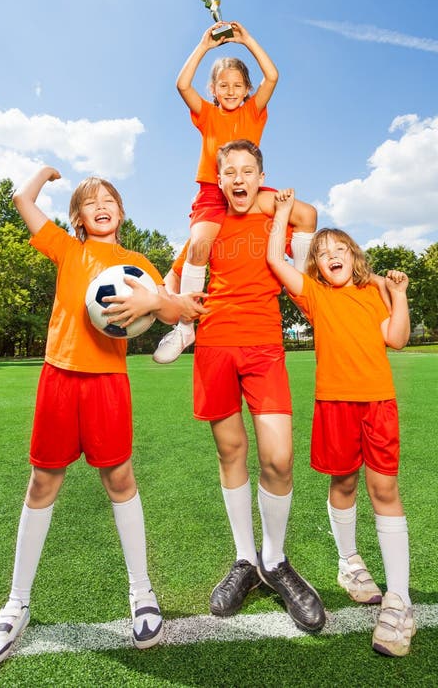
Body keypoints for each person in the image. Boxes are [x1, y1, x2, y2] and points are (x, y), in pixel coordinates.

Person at [0, 166, 204, 669]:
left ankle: (142, 594)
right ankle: (16, 604)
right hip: (58, 378)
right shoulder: (67, 249)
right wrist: (43, 176)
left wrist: (164, 300)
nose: (100, 207)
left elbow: (167, 310)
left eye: (109, 200)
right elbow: (20, 200)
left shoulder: (135, 262)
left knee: (120, 479)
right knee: (41, 483)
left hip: (107, 384)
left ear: (121, 211)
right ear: (77, 218)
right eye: (88, 203)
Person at [266, 190, 415, 657]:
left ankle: (400, 600)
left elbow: (397, 339)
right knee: (343, 482)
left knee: (385, 491)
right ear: (316, 265)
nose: (331, 255)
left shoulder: (374, 291)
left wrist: (399, 294)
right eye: (322, 253)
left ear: (355, 256)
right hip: (335, 405)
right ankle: (349, 563)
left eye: (339, 250)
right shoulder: (312, 294)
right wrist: (285, 212)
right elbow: (274, 256)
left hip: (378, 405)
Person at [192, 139, 326, 633]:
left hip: (265, 346)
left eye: (249, 170)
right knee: (232, 452)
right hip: (213, 348)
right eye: (231, 171)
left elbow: (310, 216)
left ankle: (275, 561)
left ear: (260, 176)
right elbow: (183, 276)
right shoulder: (206, 225)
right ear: (220, 180)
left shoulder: (276, 215)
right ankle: (245, 562)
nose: (239, 178)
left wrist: (278, 201)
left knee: (278, 458)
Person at [153, 22, 314, 364]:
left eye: (237, 85)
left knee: (307, 215)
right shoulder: (207, 114)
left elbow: (272, 76)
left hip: (249, 189)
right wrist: (203, 46)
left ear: (246, 89)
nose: (230, 90)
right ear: (212, 89)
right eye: (223, 85)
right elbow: (182, 84)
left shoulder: (254, 111)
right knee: (198, 246)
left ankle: (301, 284)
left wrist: (247, 40)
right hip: (214, 191)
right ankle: (185, 327)